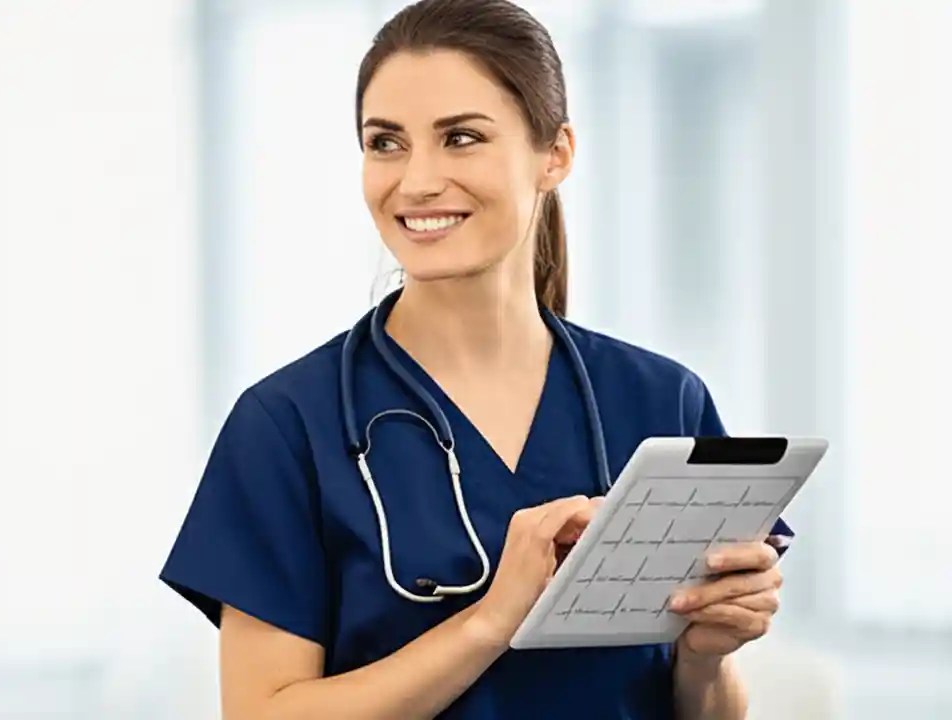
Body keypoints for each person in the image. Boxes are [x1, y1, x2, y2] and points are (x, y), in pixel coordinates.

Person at [160, 0, 793, 717]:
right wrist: (491, 622)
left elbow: (699, 708)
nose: (417, 180)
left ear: (554, 154)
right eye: (386, 142)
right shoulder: (288, 425)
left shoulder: (663, 402)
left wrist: (707, 657)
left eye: (460, 138)